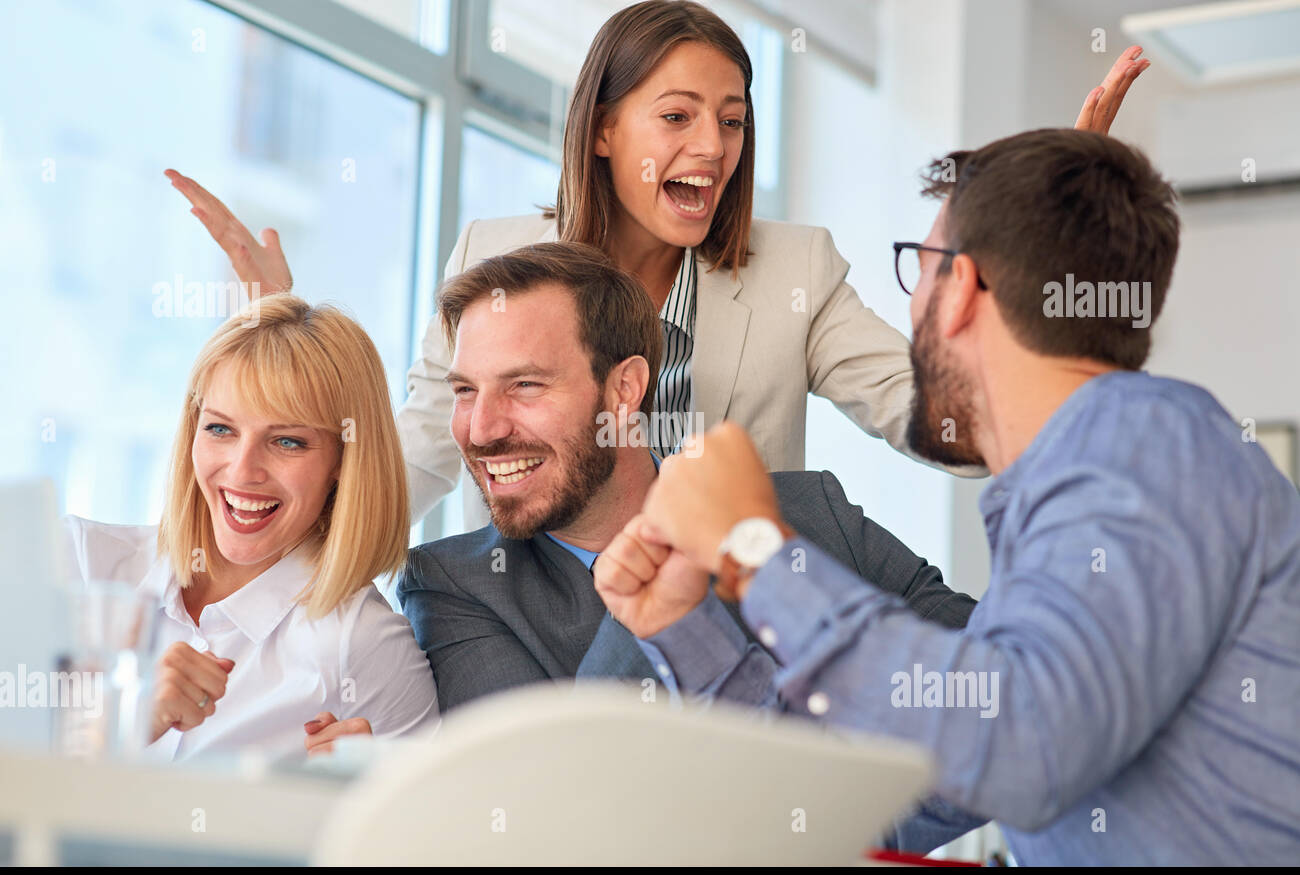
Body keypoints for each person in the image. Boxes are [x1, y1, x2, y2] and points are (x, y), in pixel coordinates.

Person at [163, 1, 1149, 528]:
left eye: (730, 121)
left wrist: (1039, 245)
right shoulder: (496, 260)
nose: (712, 149)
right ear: (601, 131)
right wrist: (284, 340)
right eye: (676, 117)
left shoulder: (793, 267)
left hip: (721, 642)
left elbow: (934, 418)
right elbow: (409, 465)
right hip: (526, 630)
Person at [604, 129, 1300, 865]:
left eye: (922, 270)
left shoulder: (1143, 445)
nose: (913, 312)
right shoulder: (1075, 526)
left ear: (961, 287)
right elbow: (873, 806)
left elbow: (1022, 747)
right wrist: (687, 627)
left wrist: (755, 547)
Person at [395, 242, 975, 722]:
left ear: (624, 391)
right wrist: (652, 601)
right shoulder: (453, 586)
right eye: (466, 390)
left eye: (525, 386)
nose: (481, 429)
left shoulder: (811, 512)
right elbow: (545, 807)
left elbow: (991, 686)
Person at [63, 295, 438, 760]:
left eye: (287, 441)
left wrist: (363, 799)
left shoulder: (366, 645)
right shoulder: (78, 563)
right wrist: (119, 721)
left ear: (345, 459)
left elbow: (423, 829)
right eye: (221, 429)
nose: (243, 471)